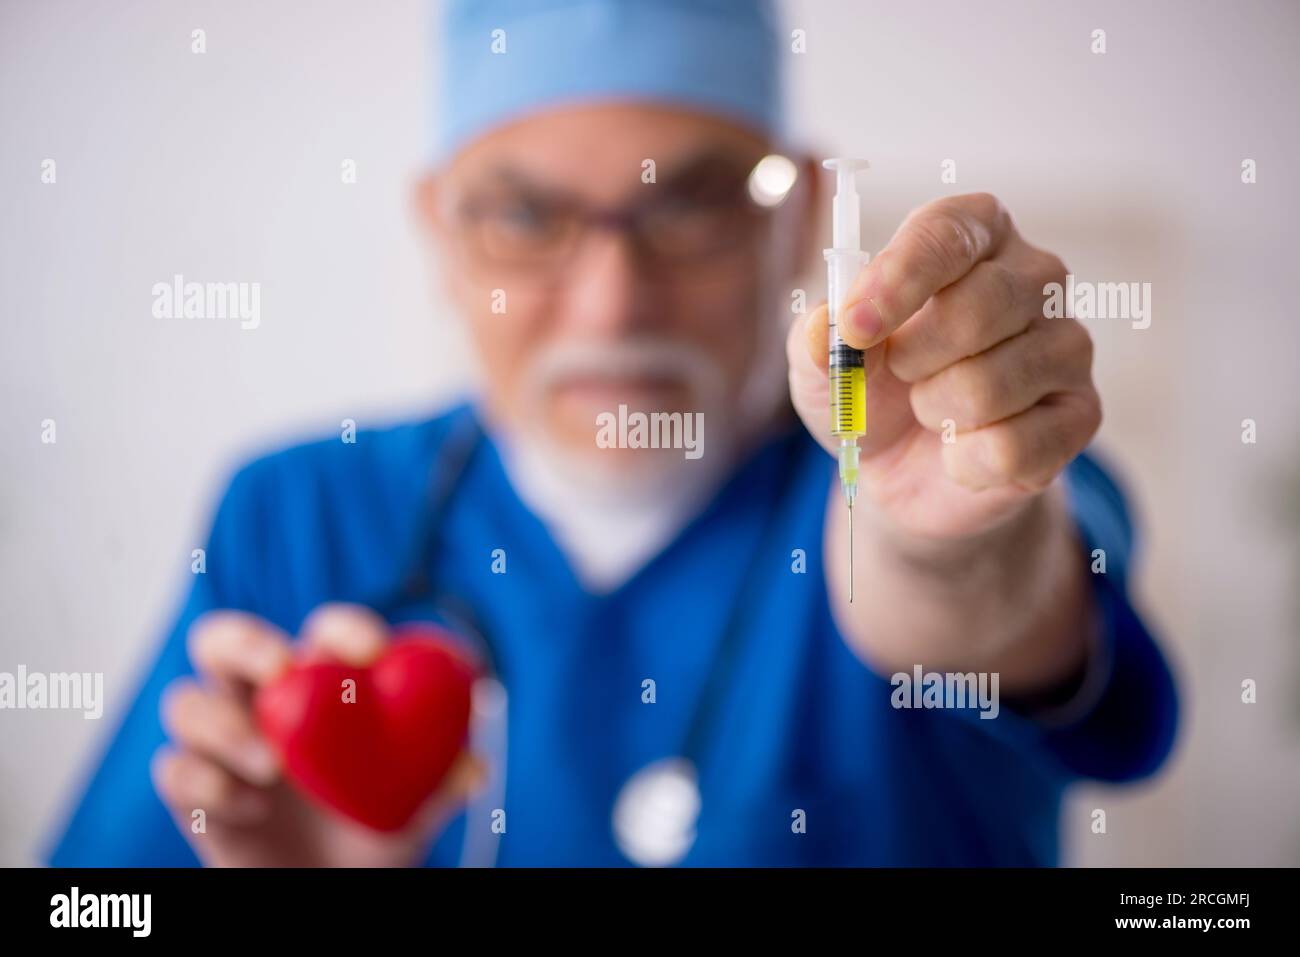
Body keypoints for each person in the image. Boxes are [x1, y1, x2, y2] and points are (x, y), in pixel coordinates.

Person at [47, 0, 1177, 867]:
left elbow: (979, 593)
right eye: (526, 215)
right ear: (440, 231)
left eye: (687, 207)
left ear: (800, 221)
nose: (612, 303)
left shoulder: (954, 448)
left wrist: (943, 534)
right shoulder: (295, 514)